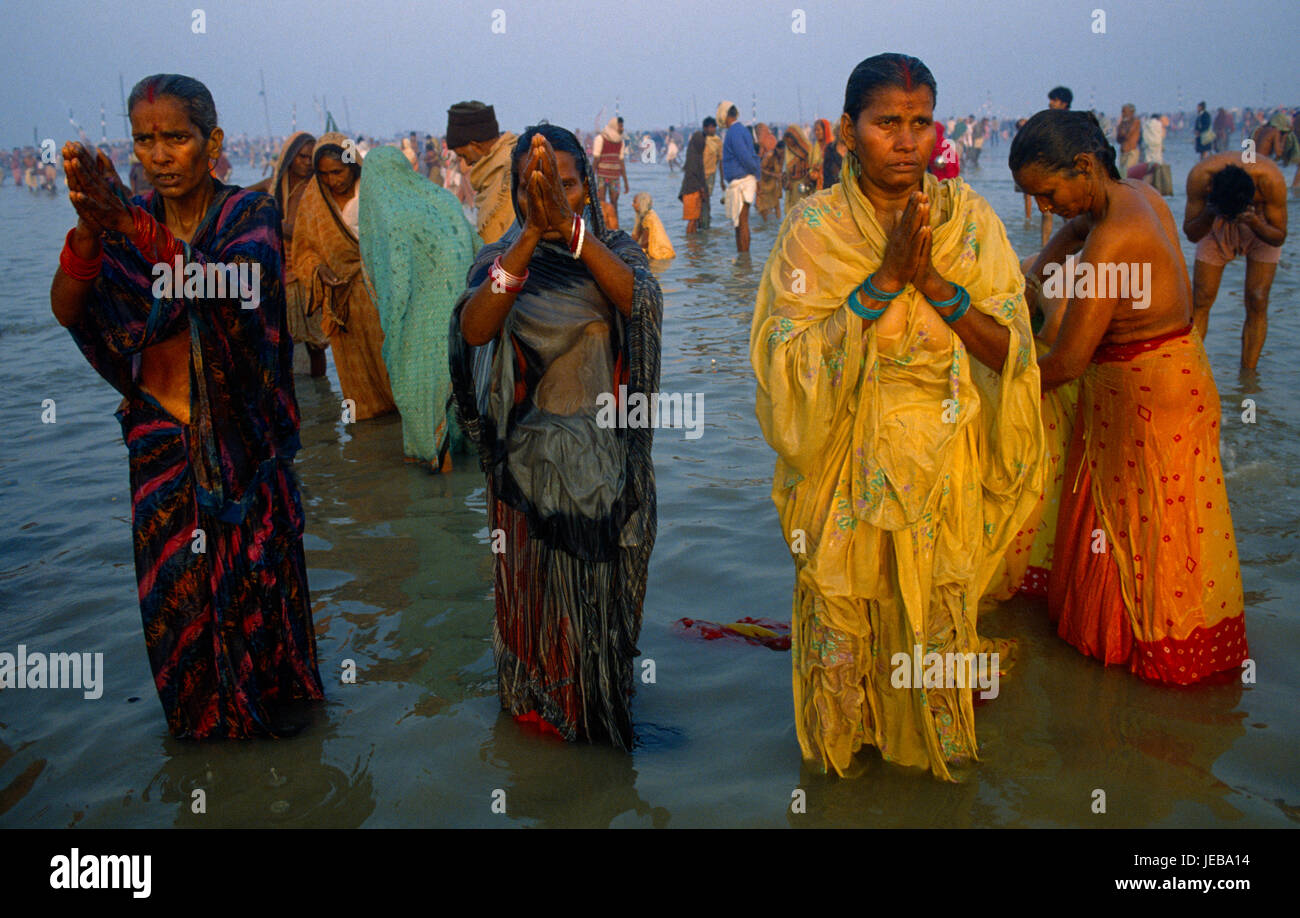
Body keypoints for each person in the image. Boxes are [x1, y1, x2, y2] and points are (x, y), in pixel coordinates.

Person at [750, 53, 1044, 781]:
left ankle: (928, 777)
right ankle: (842, 776)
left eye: (919, 123)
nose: (907, 142)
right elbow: (784, 366)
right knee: (843, 625)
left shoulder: (967, 222)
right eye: (887, 124)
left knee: (936, 622)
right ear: (849, 131)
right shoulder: (812, 230)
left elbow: (1011, 351)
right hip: (842, 466)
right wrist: (880, 284)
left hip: (942, 466)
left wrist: (935, 285)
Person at [50, 73, 324, 738]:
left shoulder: (247, 217)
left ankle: (280, 760)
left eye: (177, 137)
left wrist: (129, 223)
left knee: (257, 604)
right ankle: (205, 753)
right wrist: (90, 233)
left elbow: (233, 291)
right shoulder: (120, 224)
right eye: (146, 139)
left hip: (243, 454)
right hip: (160, 450)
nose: (161, 153)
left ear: (213, 141)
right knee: (178, 610)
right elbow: (68, 311)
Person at [1012, 109, 1248, 684]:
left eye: (1047, 193)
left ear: (1085, 166)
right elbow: (1074, 229)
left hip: (1148, 402)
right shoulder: (1132, 194)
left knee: (1148, 536)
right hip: (1180, 377)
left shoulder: (1112, 240)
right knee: (1165, 528)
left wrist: (1000, 392)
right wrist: (1040, 270)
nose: (1043, 208)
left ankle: (1156, 659)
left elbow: (1067, 362)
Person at [450, 125, 663, 750]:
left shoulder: (617, 250)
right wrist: (530, 241)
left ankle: (594, 748)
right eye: (531, 186)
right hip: (524, 479)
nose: (548, 194)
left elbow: (641, 305)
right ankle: (535, 748)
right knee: (533, 617)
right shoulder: (498, 261)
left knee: (598, 626)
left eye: (564, 183)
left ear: (587, 186)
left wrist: (571, 232)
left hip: (604, 477)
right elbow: (473, 329)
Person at [357, 146, 478, 470]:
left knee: (420, 405)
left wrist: (393, 335)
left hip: (421, 330)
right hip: (465, 322)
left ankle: (436, 494)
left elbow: (393, 284)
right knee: (461, 406)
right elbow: (477, 250)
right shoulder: (444, 200)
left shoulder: (391, 215)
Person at [292, 132, 397, 419]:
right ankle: (364, 438)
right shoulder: (314, 200)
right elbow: (303, 249)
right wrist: (318, 269)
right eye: (324, 174)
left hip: (382, 291)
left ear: (353, 165)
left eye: (337, 171)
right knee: (355, 374)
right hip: (341, 300)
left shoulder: (376, 191)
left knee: (392, 358)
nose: (332, 180)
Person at [1183, 152, 1288, 369]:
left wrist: (1254, 222)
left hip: (1260, 223)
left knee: (1257, 299)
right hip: (1213, 224)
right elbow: (1192, 234)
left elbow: (1279, 237)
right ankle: (1190, 367)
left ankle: (1248, 376)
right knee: (1201, 299)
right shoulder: (1201, 176)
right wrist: (1211, 214)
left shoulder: (1270, 179)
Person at [446, 101, 518, 244]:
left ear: (475, 146)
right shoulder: (503, 165)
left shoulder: (507, 175)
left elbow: (495, 245)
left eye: (464, 155)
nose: (466, 163)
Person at [1025, 87, 1071, 247]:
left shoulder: (1070, 122)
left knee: (1067, 212)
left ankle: (1071, 249)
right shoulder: (1047, 120)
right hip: (1048, 170)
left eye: (1054, 100)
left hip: (1064, 171)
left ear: (1064, 103)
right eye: (1051, 99)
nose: (1051, 103)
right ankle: (1044, 248)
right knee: (1046, 211)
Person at [720, 102, 760, 252]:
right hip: (743, 181)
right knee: (739, 224)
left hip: (743, 182)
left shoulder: (734, 132)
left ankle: (744, 260)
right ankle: (743, 259)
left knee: (742, 222)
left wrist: (756, 174)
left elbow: (745, 156)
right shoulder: (739, 130)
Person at [678, 117, 714, 234]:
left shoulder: (695, 156)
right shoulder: (694, 158)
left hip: (693, 189)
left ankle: (693, 246)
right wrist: (702, 188)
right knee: (692, 221)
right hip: (691, 190)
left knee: (694, 220)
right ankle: (690, 245)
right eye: (711, 127)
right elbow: (695, 172)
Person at [592, 117, 630, 226]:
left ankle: (615, 226)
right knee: (602, 203)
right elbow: (596, 159)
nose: (622, 128)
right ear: (614, 126)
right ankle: (601, 226)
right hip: (602, 176)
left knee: (614, 203)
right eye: (620, 126)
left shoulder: (620, 141)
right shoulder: (600, 139)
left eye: (622, 126)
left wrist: (626, 182)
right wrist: (590, 177)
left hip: (615, 176)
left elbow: (621, 161)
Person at [631, 191, 675, 259]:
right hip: (664, 253)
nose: (632, 204)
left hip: (661, 255)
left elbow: (645, 243)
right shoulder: (645, 215)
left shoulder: (648, 218)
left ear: (642, 204)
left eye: (634, 202)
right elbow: (636, 236)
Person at [781, 124, 814, 213]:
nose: (788, 141)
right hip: (791, 186)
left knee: (804, 212)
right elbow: (785, 170)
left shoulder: (808, 149)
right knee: (792, 214)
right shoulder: (788, 151)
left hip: (804, 185)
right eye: (787, 138)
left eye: (790, 138)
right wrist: (786, 182)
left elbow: (812, 165)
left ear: (797, 138)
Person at [754, 122, 783, 221]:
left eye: (759, 132)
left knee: (767, 203)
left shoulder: (767, 143)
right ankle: (773, 225)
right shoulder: (771, 140)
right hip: (768, 176)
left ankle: (768, 225)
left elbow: (761, 164)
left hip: (768, 177)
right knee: (772, 204)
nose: (758, 135)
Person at [1116, 103, 1140, 173]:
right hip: (1123, 152)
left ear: (1131, 112)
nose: (1122, 114)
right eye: (1122, 111)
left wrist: (1122, 130)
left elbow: (1127, 135)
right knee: (1121, 173)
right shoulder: (1123, 122)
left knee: (1128, 173)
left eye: (1124, 111)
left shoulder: (1136, 122)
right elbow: (1118, 139)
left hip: (1131, 152)